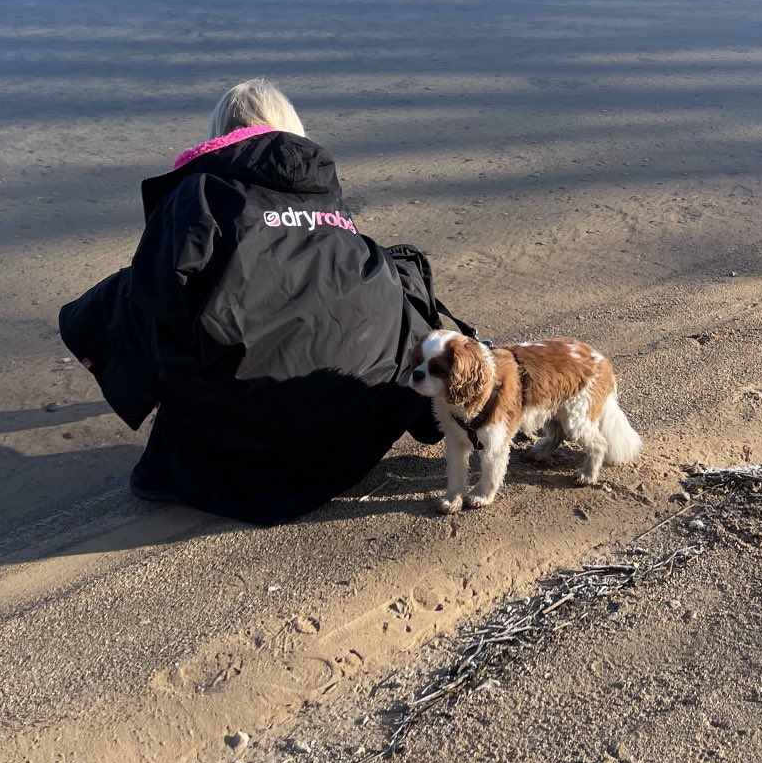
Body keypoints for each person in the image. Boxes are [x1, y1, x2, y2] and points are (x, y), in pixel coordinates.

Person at [59, 78, 468, 523]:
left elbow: (156, 300)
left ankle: (183, 430)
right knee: (389, 270)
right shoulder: (322, 187)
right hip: (353, 434)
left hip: (257, 440)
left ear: (218, 134)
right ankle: (433, 409)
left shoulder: (199, 189)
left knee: (116, 298)